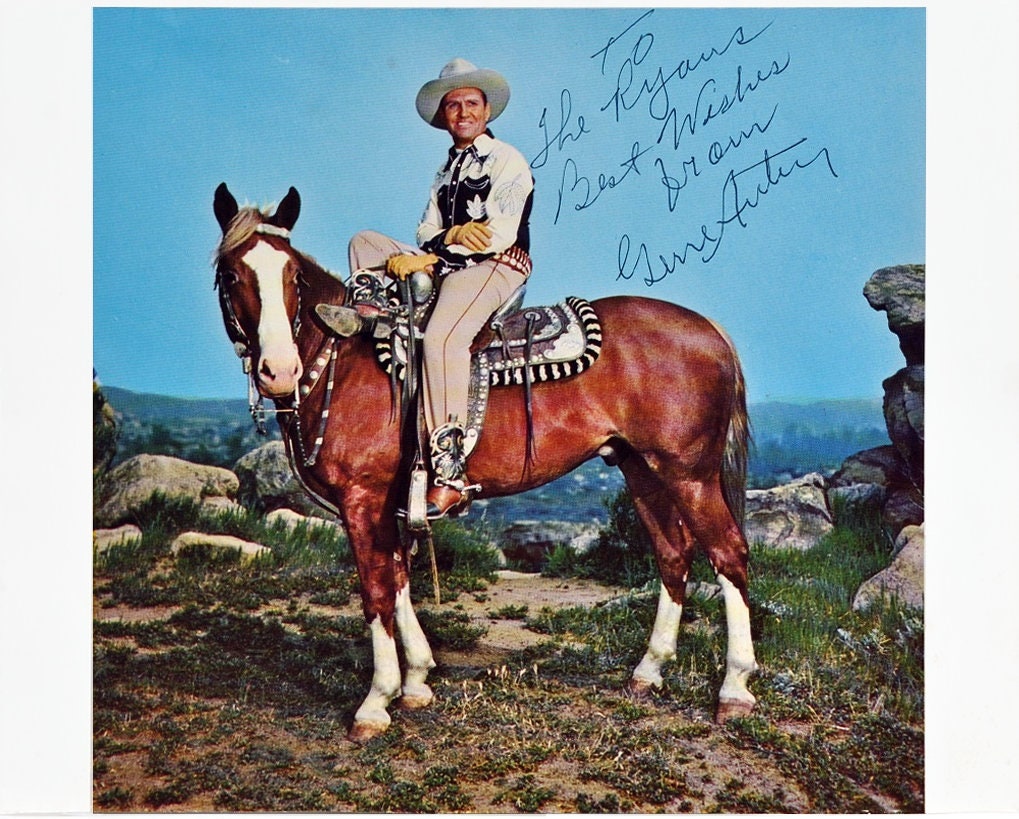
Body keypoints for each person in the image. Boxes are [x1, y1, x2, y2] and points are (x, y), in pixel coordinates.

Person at [318, 58, 535, 518]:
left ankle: (450, 472)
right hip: (451, 263)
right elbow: (424, 229)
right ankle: (372, 316)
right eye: (452, 106)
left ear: (487, 110)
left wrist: (435, 255)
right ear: (443, 117)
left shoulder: (508, 160)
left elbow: (497, 234)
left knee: (441, 339)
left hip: (495, 266)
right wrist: (445, 240)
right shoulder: (445, 170)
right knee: (364, 242)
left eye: (471, 103)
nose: (462, 113)